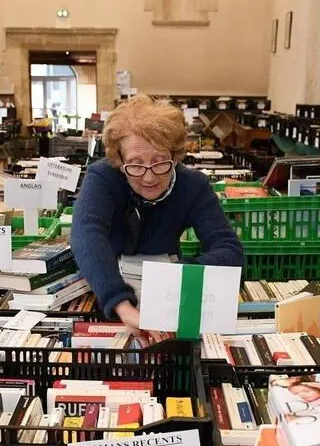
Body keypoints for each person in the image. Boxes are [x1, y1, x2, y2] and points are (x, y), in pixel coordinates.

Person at [70, 95, 244, 335]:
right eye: (135, 164)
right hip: (109, 286)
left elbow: (229, 251)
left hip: (170, 295)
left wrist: (175, 277)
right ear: (119, 161)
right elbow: (86, 234)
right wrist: (121, 305)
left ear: (175, 155)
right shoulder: (103, 177)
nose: (149, 177)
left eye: (160, 162)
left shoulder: (194, 186)